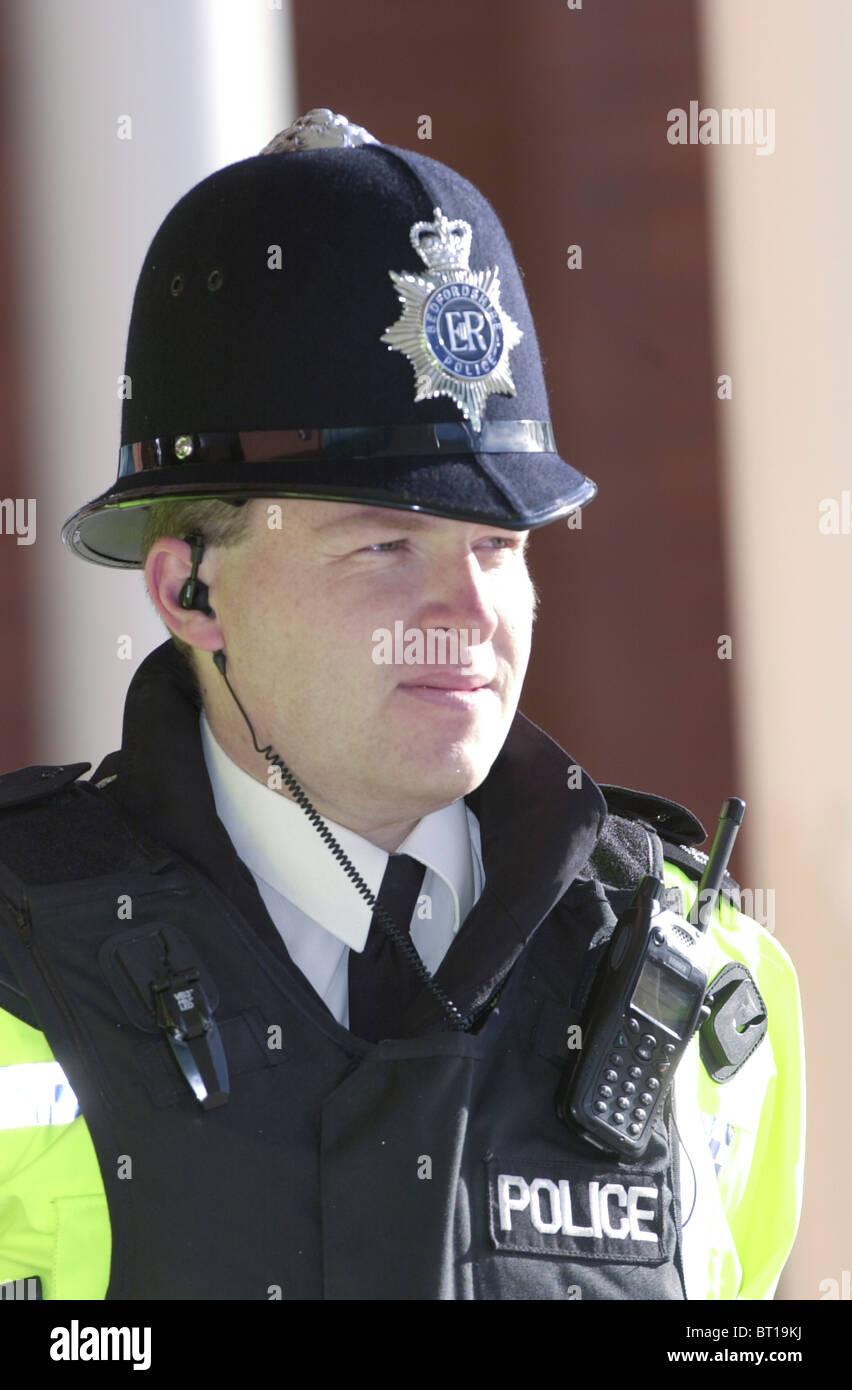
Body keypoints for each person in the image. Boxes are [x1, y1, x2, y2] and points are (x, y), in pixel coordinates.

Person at [0, 109, 803, 1301]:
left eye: (497, 545)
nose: (465, 608)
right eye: (383, 545)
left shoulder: (712, 980)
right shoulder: (21, 956)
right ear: (189, 587)